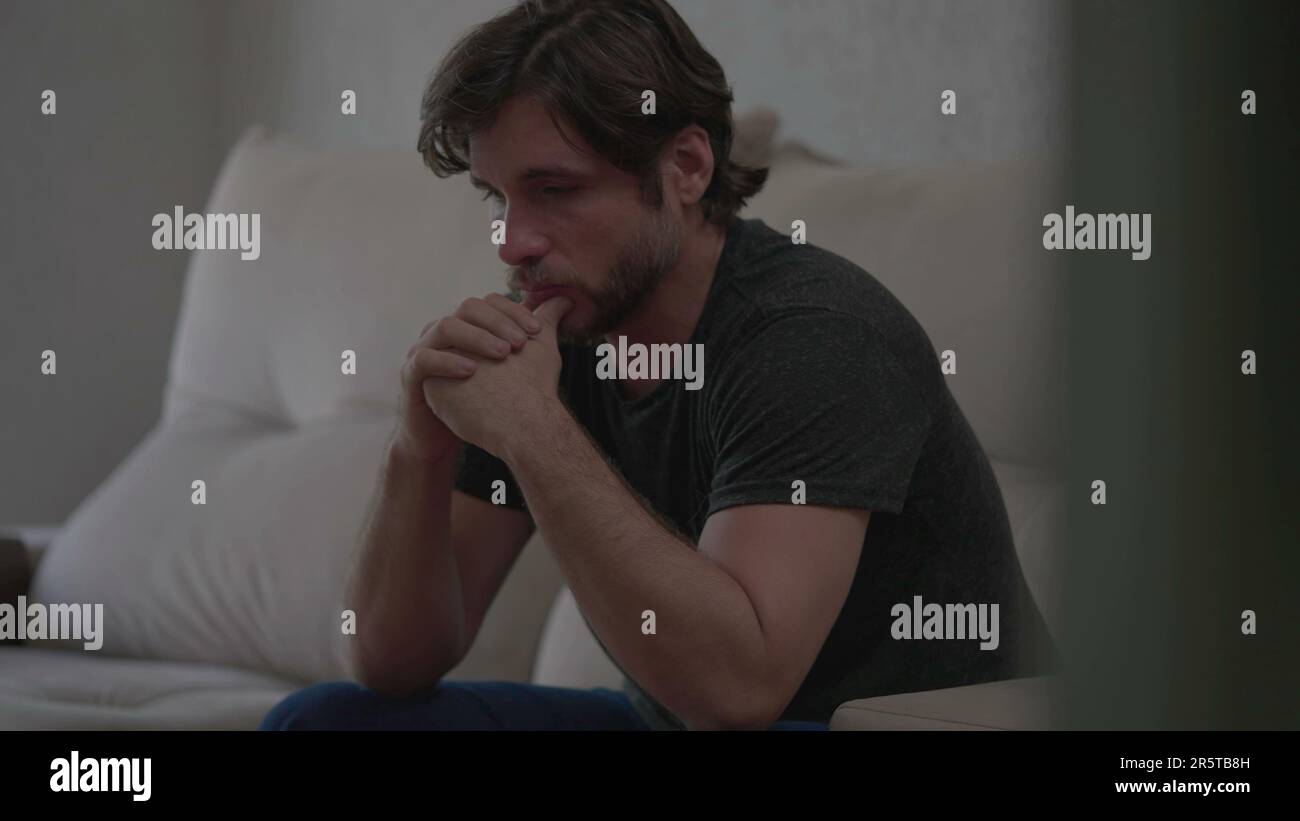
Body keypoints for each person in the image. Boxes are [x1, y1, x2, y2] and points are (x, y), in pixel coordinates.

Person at [262, 0, 1056, 732]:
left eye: (555, 190)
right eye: (497, 198)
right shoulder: (556, 326)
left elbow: (738, 689)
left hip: (868, 723)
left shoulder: (811, 334)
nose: (512, 242)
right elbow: (390, 663)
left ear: (687, 168)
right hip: (676, 721)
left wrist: (537, 433)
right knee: (328, 720)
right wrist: (418, 448)